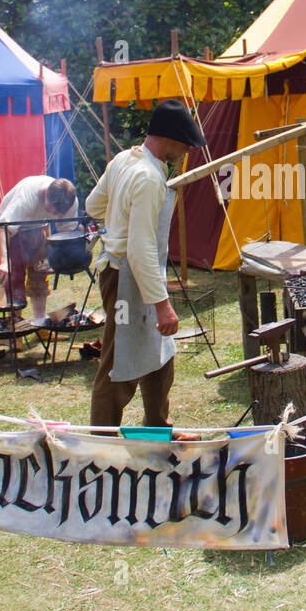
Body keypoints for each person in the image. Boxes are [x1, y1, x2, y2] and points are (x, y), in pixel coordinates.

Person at [86, 99, 206, 432]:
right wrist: (163, 306)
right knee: (119, 363)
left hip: (133, 273)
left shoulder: (124, 159)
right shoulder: (149, 178)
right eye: (185, 144)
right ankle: (102, 440)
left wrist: (118, 216)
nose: (186, 151)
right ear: (170, 138)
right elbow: (140, 250)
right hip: (125, 279)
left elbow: (93, 205)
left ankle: (158, 428)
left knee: (161, 355)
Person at [0, 175, 77, 322]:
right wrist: (4, 262)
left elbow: (66, 231)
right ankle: (15, 324)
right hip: (15, 231)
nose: (53, 213)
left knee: (40, 276)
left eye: (58, 213)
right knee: (15, 279)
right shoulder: (27, 196)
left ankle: (40, 321)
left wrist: (59, 259)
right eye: (51, 209)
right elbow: (4, 229)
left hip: (40, 228)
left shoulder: (70, 201)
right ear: (45, 194)